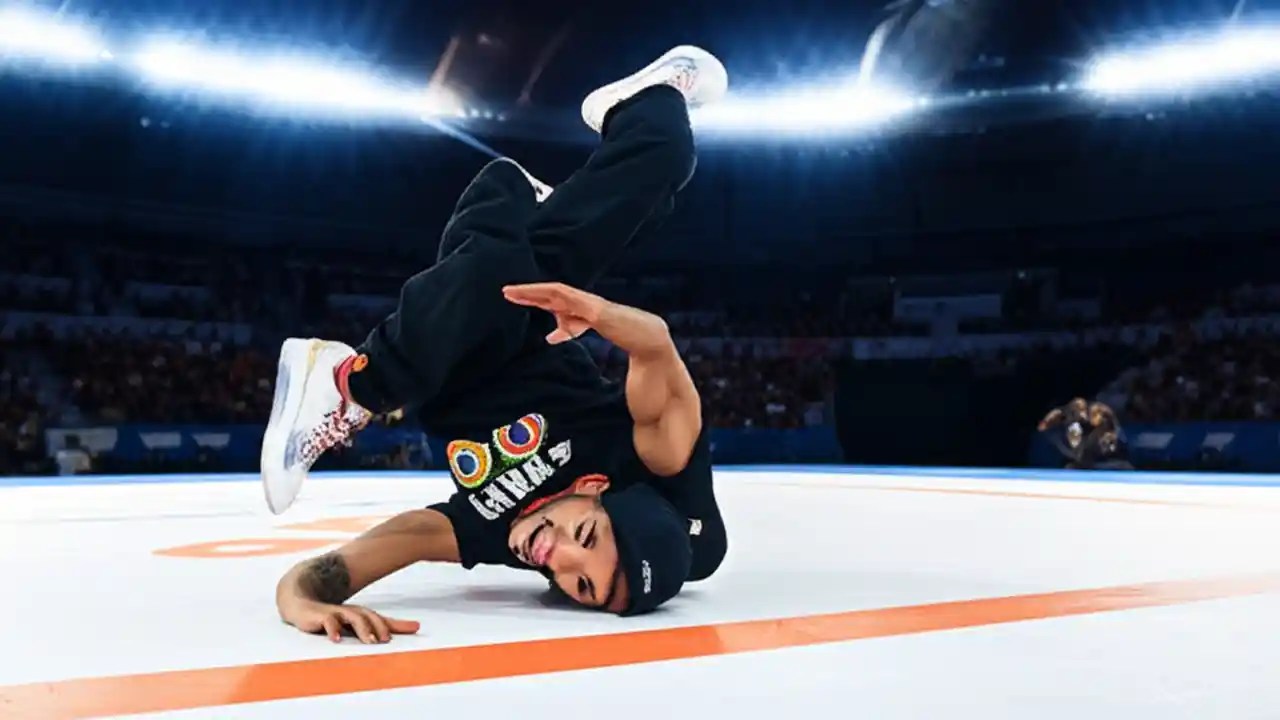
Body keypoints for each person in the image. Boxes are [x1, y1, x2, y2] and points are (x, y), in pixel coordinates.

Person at [261, 46, 730, 643]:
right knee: (659, 162)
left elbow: (341, 568)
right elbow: (658, 346)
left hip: (454, 346)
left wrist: (303, 602)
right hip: (526, 328)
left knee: (489, 263)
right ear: (594, 490)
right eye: (585, 539)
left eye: (581, 588)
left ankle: (507, 198)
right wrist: (599, 311)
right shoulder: (647, 471)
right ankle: (350, 384)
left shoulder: (488, 532)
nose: (556, 559)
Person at [1037, 398, 1132, 470]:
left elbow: (1113, 430)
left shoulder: (1102, 415)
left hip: (1105, 456)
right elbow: (1055, 415)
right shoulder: (1073, 421)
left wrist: (1110, 438)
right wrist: (1046, 422)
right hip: (1082, 453)